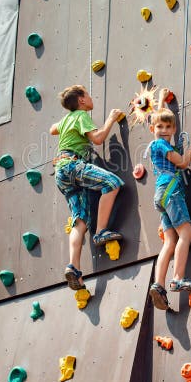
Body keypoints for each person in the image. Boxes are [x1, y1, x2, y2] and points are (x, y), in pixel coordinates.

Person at [50, 85, 124, 290]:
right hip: (73, 165)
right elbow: (98, 139)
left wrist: (65, 122)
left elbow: (52, 129)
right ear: (81, 101)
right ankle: (100, 231)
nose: (91, 98)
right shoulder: (81, 115)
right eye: (88, 95)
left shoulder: (66, 120)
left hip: (61, 172)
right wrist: (111, 118)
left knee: (79, 220)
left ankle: (73, 266)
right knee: (112, 183)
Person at [146, 87, 191, 310]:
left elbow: (157, 117)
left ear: (173, 128)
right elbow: (183, 163)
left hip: (160, 195)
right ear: (153, 128)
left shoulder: (156, 143)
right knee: (186, 233)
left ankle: (158, 285)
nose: (164, 129)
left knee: (170, 241)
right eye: (160, 127)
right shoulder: (161, 144)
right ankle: (177, 278)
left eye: (168, 127)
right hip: (171, 192)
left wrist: (161, 101)